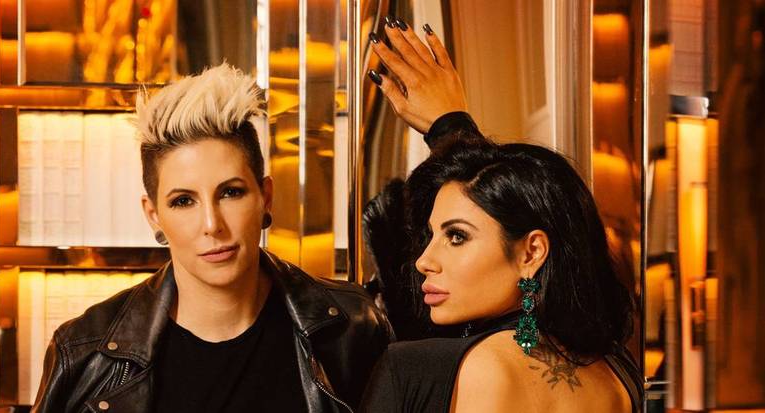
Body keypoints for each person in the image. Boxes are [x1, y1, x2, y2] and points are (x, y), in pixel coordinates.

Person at [32, 64, 393, 413]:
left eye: (231, 192)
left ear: (265, 197)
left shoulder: (352, 327)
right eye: (183, 201)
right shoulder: (84, 353)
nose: (212, 224)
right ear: (153, 215)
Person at [359, 18, 643, 412]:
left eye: (456, 236)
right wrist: (451, 127)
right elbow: (505, 202)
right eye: (431, 235)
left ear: (532, 252)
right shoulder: (617, 374)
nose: (424, 260)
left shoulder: (414, 372)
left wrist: (451, 128)